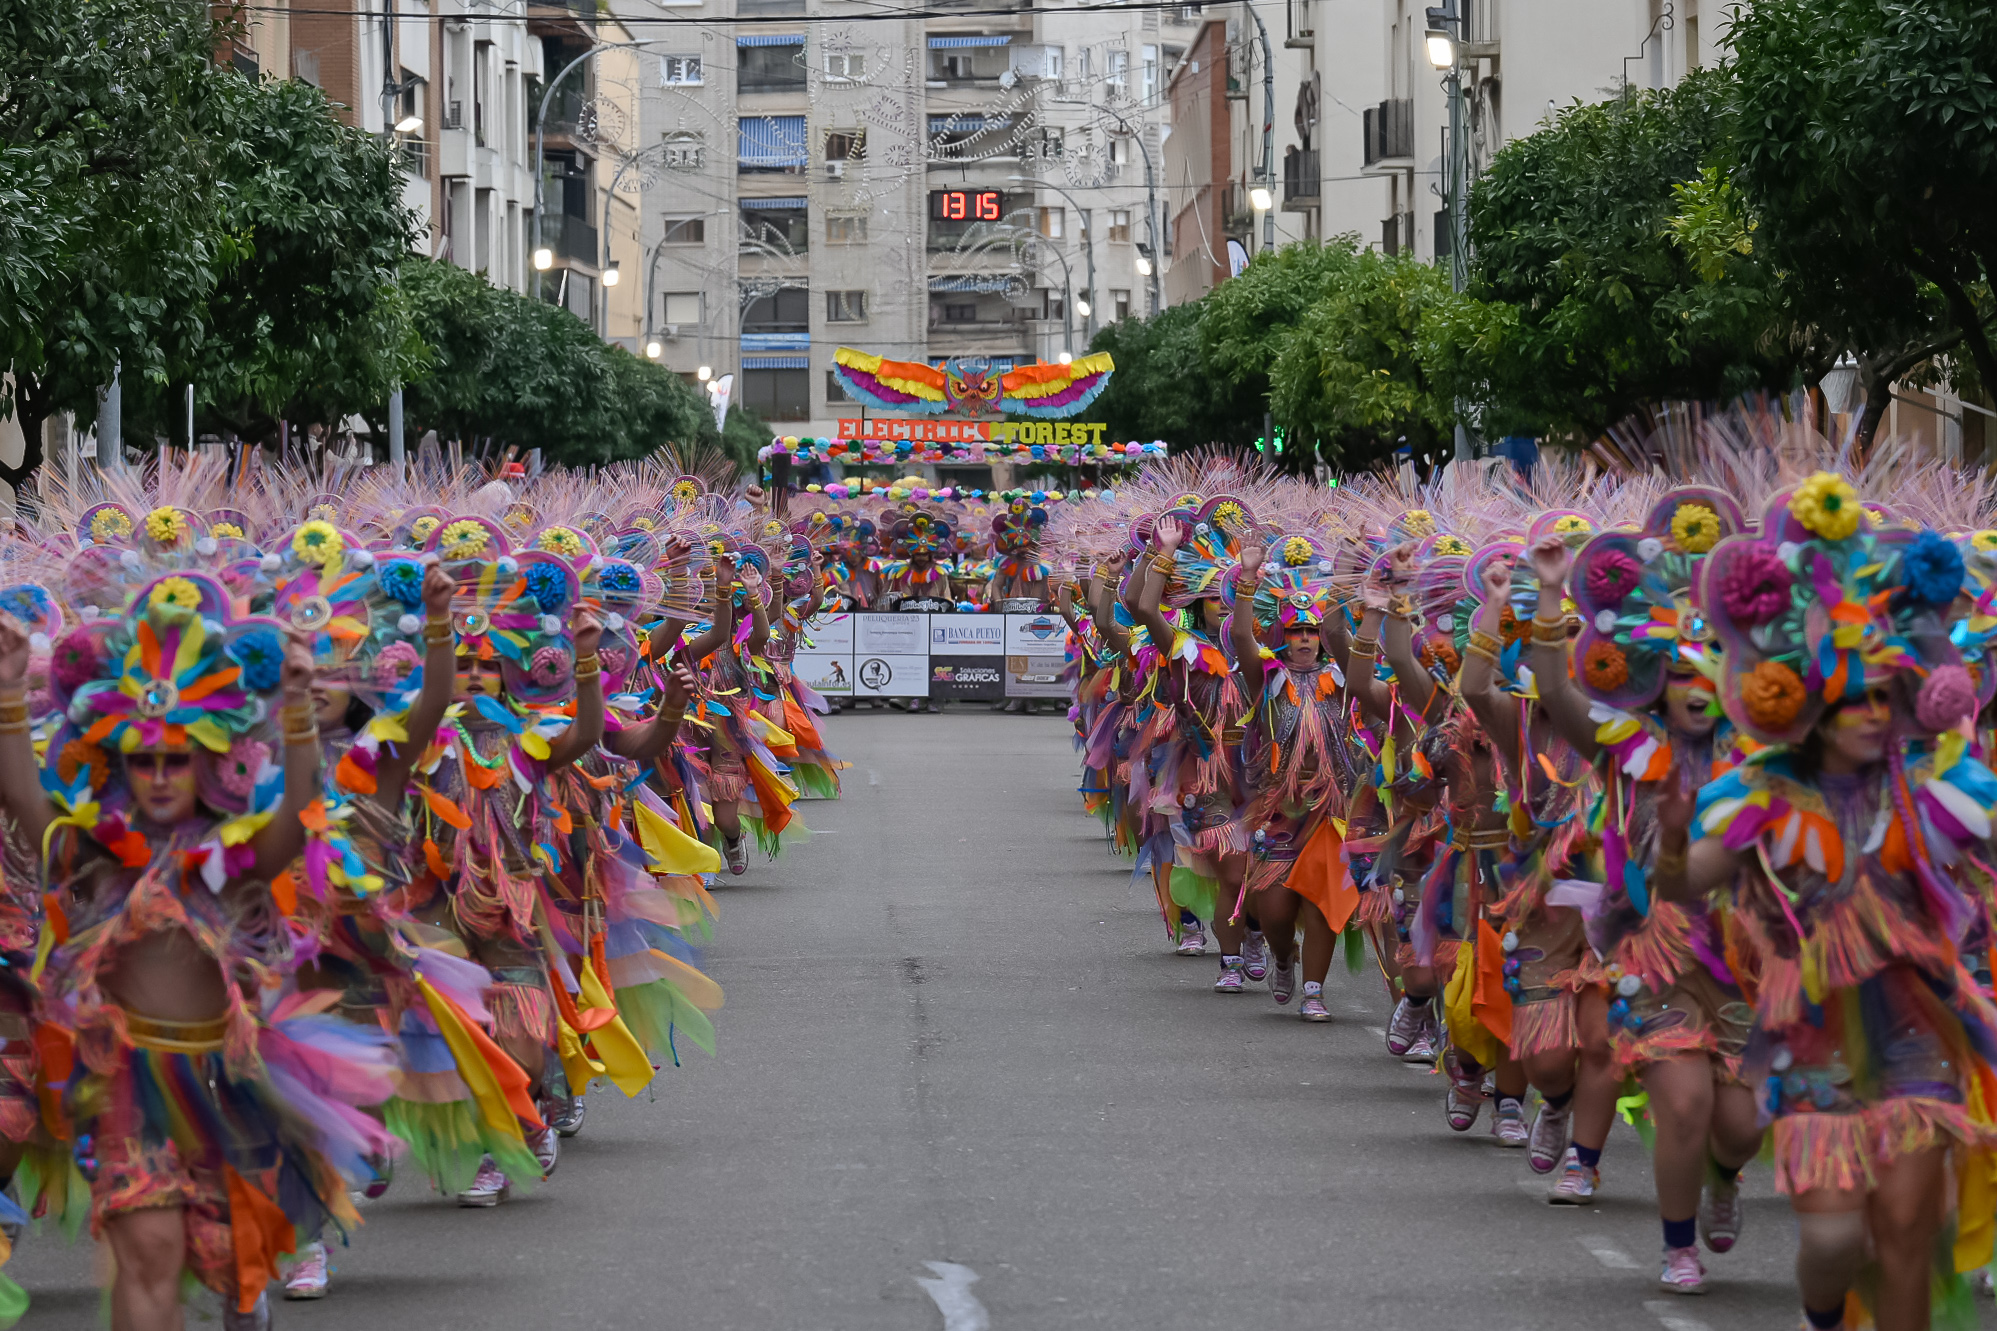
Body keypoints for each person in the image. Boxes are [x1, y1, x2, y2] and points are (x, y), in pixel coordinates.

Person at [1665, 474, 1997, 1331]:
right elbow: (1691, 879)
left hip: (1918, 1035)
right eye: (1847, 699)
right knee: (1835, 1239)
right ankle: (1819, 1317)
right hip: (1810, 1038)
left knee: (1904, 1234)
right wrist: (1670, 840)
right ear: (1808, 705)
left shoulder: (1938, 789)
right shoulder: (1760, 798)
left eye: (1879, 697)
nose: (1866, 713)